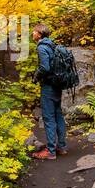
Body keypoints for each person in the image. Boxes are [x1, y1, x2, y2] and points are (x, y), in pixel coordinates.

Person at [31, 24, 67, 160]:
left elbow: (45, 67)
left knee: (48, 117)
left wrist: (36, 76)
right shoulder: (53, 45)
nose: (32, 34)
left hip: (49, 86)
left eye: (34, 32)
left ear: (39, 34)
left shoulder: (42, 47)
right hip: (58, 85)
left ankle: (51, 151)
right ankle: (62, 147)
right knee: (58, 115)